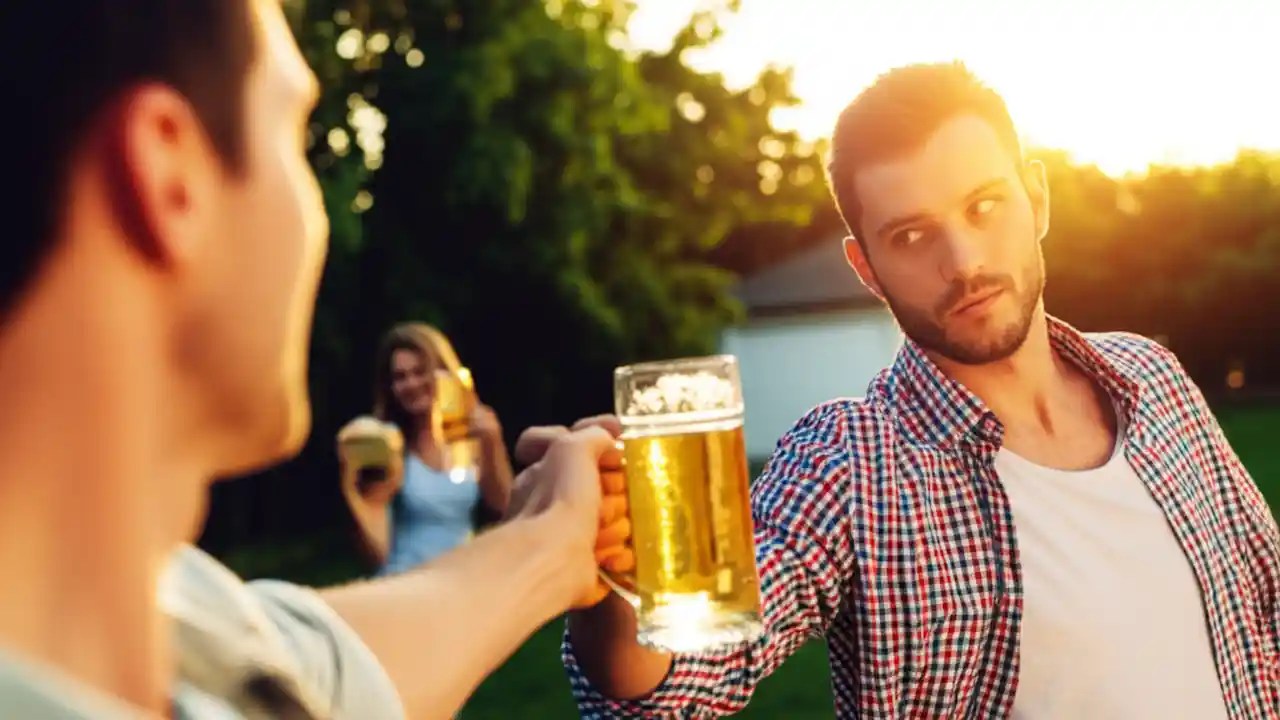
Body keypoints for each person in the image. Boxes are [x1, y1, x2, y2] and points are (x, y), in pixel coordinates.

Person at [556, 62, 1280, 718]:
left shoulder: (1151, 379)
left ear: (1037, 197)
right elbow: (670, 689)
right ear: (865, 269)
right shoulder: (851, 461)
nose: (962, 262)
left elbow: (1265, 603)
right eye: (910, 236)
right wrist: (614, 577)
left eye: (985, 207)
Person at [0, 1, 618, 718]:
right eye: (297, 136)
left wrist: (550, 544)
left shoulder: (158, 611)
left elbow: (324, 664)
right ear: (170, 176)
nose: (314, 214)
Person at [343, 323, 514, 574]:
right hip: (404, 582)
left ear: (444, 373)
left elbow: (504, 507)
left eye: (420, 372)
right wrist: (352, 492)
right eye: (400, 377)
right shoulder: (387, 442)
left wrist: (492, 443)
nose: (411, 383)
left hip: (460, 582)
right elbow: (375, 548)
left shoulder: (472, 433)